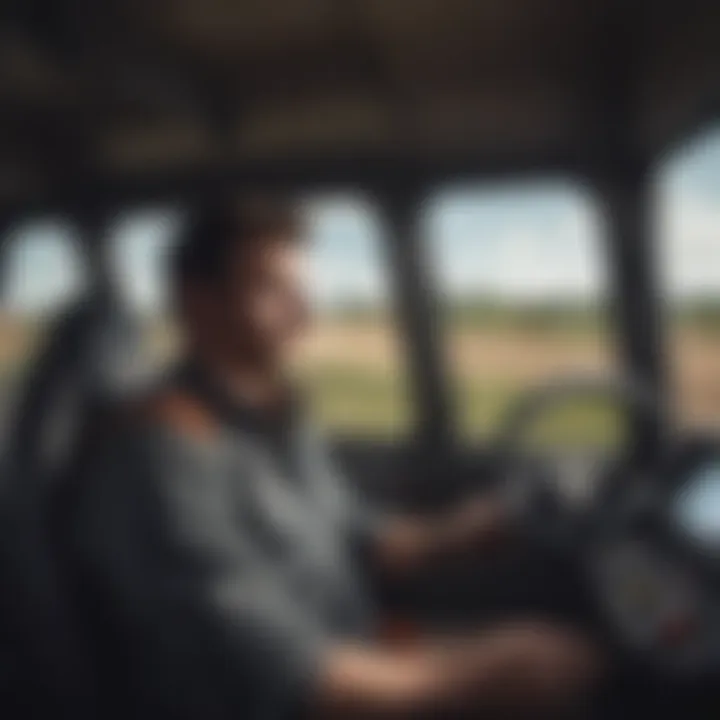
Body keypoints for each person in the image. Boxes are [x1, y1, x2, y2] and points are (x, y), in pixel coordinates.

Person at [72, 196, 600, 719]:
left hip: (361, 647)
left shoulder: (273, 414)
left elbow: (359, 538)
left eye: (302, 289)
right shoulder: (162, 458)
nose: (305, 313)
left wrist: (473, 528)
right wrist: (478, 676)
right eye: (273, 290)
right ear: (198, 301)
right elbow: (291, 679)